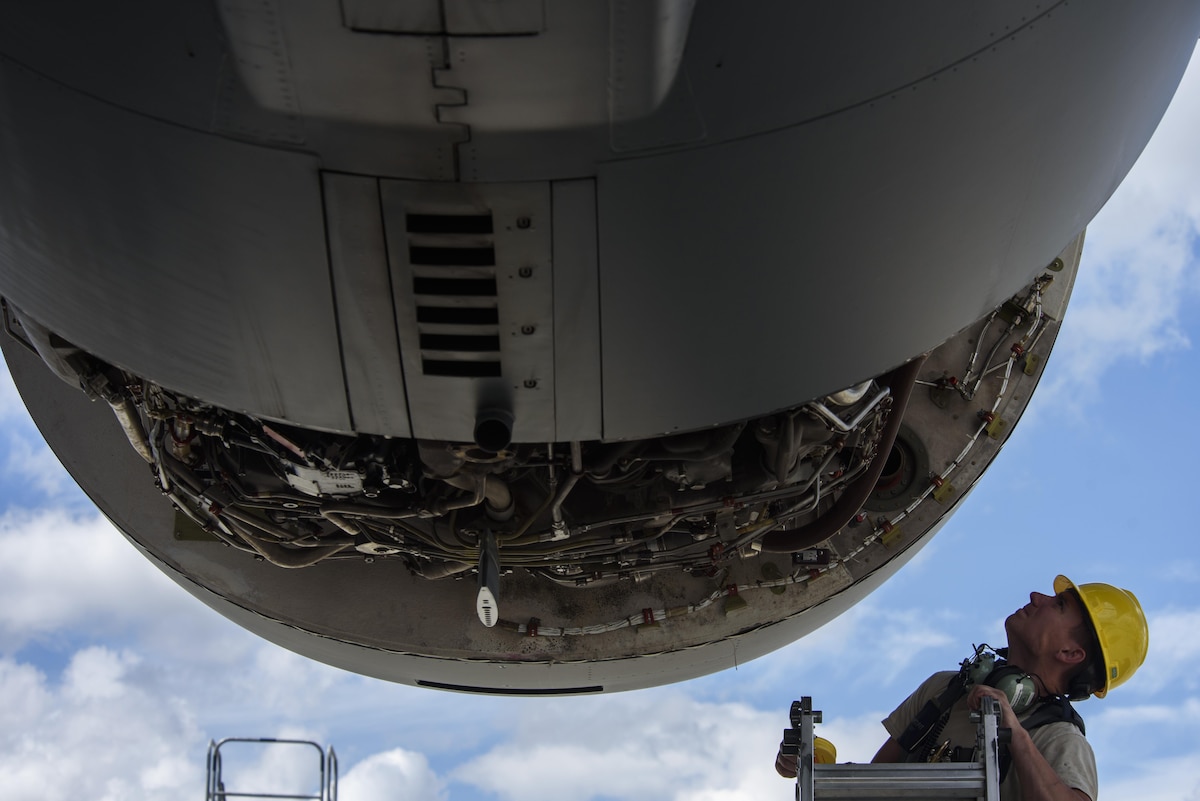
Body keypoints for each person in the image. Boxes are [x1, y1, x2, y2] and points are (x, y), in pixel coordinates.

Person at [776, 575, 1149, 801]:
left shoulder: (1058, 740)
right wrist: (813, 769)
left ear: (1070, 652)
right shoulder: (944, 691)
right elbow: (873, 789)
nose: (1038, 597)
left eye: (1060, 605)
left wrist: (1015, 734)